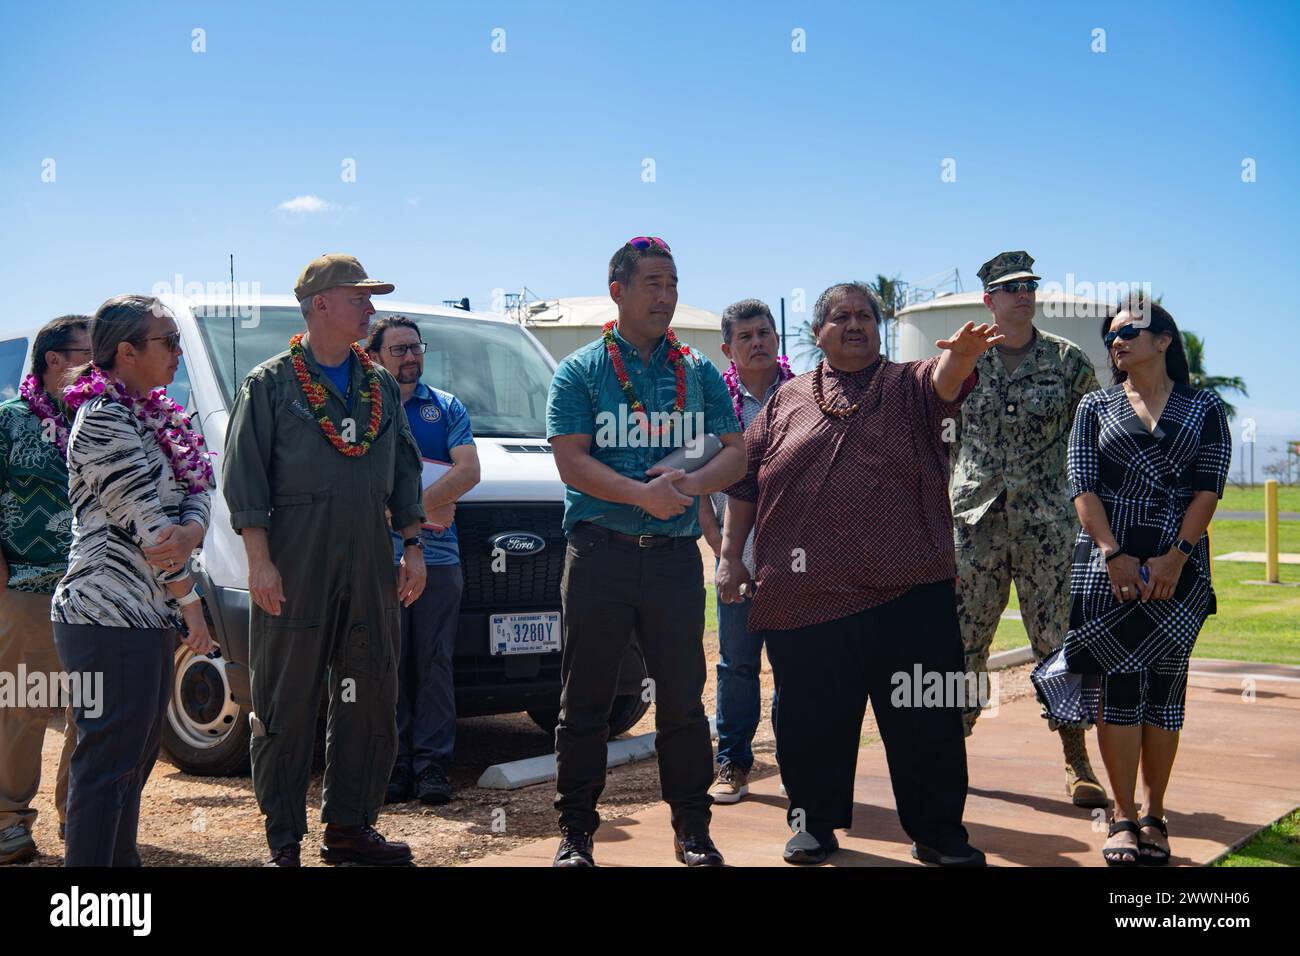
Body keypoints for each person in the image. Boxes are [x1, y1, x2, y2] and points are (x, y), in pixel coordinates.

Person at [719, 281, 999, 866]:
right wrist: (729, 557)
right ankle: (812, 825)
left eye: (865, 316)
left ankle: (939, 833)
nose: (854, 324)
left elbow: (947, 380)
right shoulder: (786, 400)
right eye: (840, 317)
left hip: (908, 592)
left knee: (926, 719)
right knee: (811, 721)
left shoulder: (911, 385)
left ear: (880, 327)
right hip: (805, 597)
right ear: (817, 333)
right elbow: (743, 482)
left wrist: (964, 356)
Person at [546, 236, 746, 867]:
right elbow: (570, 461)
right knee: (587, 700)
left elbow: (736, 452)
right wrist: (642, 494)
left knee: (683, 699)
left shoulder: (700, 370)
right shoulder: (581, 370)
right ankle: (575, 832)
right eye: (653, 283)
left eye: (673, 283)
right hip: (599, 553)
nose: (666, 296)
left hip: (671, 562)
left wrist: (687, 484)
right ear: (619, 292)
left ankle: (693, 830)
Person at [223, 254, 426, 867]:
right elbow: (245, 478)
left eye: (370, 298)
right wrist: (260, 562)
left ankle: (349, 828)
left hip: (367, 556)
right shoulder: (271, 383)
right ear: (319, 305)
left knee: (369, 691)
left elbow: (404, 470)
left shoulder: (379, 383)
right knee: (284, 698)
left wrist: (412, 547)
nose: (369, 308)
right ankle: (283, 837)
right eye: (358, 297)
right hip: (295, 557)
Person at [1032, 297, 1230, 866]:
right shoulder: (1095, 406)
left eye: (1128, 332)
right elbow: (1082, 487)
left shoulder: (1205, 408)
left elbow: (1208, 488)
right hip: (1108, 567)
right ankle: (1121, 817)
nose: (1116, 342)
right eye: (1110, 335)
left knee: (1165, 690)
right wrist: (1114, 554)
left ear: (1164, 340)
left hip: (1179, 568)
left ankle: (1156, 815)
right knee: (1117, 689)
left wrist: (1175, 558)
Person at [51, 295, 214, 867]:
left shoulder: (157, 412)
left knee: (133, 761)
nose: (176, 352)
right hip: (106, 612)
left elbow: (198, 494)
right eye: (167, 341)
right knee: (107, 766)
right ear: (126, 352)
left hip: (146, 614)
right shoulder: (102, 418)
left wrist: (191, 530)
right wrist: (191, 601)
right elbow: (150, 526)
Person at [950, 250, 1107, 809]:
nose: (1024, 292)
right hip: (975, 528)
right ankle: (951, 754)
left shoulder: (1068, 362)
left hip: (1048, 528)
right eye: (1011, 286)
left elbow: (1094, 442)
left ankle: (1076, 760)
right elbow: (941, 441)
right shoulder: (964, 361)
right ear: (989, 299)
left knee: (1058, 644)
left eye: (1030, 285)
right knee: (964, 644)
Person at [366, 315, 480, 806]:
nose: (411, 357)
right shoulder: (363, 408)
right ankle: (391, 765)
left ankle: (433, 766)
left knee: (434, 662)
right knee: (387, 663)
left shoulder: (447, 407)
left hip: (439, 555)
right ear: (373, 355)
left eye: (416, 348)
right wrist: (429, 502)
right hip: (375, 557)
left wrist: (410, 508)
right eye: (399, 350)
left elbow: (468, 471)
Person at [0, 316, 90, 864]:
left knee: (93, 707)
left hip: (93, 587)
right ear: (54, 359)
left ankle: (78, 813)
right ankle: (8, 819)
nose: (99, 362)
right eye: (87, 352)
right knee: (25, 705)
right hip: (29, 583)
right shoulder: (8, 422)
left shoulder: (101, 418)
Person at [697, 299, 793, 804]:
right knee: (736, 666)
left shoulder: (804, 397)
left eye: (765, 333)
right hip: (738, 561)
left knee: (793, 665)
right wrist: (723, 554)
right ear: (727, 349)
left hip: (796, 566)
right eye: (746, 337)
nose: (758, 343)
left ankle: (796, 761)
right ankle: (732, 762)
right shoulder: (715, 408)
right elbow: (700, 493)